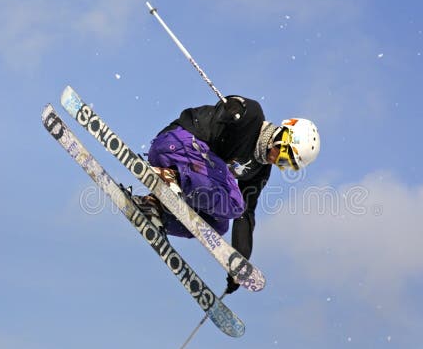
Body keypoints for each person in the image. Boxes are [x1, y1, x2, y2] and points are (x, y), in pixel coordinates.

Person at [133, 95, 320, 294]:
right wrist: (233, 109)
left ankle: (155, 209)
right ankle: (173, 177)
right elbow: (236, 106)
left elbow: (245, 215)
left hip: (190, 167)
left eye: (284, 164)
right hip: (178, 144)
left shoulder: (259, 170)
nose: (276, 161)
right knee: (233, 201)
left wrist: (238, 262)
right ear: (284, 136)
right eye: (283, 155)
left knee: (216, 224)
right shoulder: (252, 119)